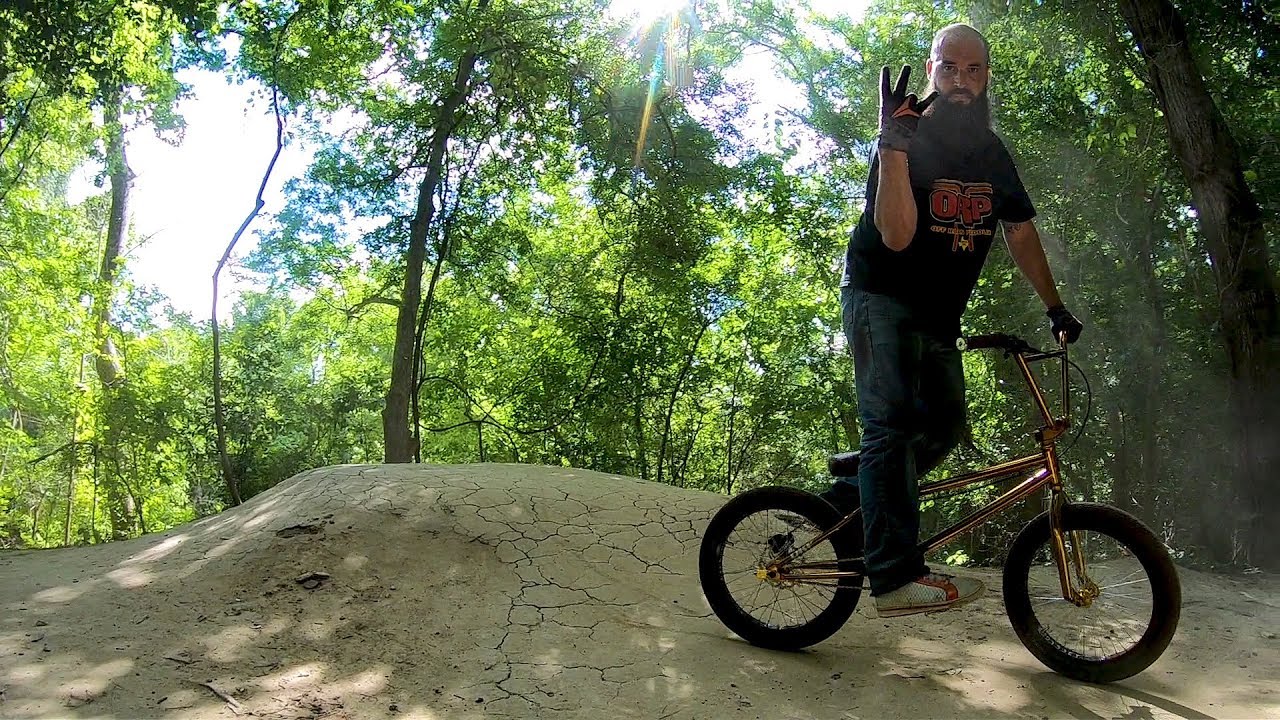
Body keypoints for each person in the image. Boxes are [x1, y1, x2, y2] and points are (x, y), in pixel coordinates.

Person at [820, 23, 1084, 617]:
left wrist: (1055, 305)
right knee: (891, 424)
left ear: (986, 77)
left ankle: (850, 493)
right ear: (932, 69)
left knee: (941, 426)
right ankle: (891, 578)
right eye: (949, 68)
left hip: (939, 315)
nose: (961, 81)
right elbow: (896, 235)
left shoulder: (991, 153)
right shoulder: (905, 134)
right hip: (881, 296)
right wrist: (891, 145)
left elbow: (1018, 231)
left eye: (973, 70)